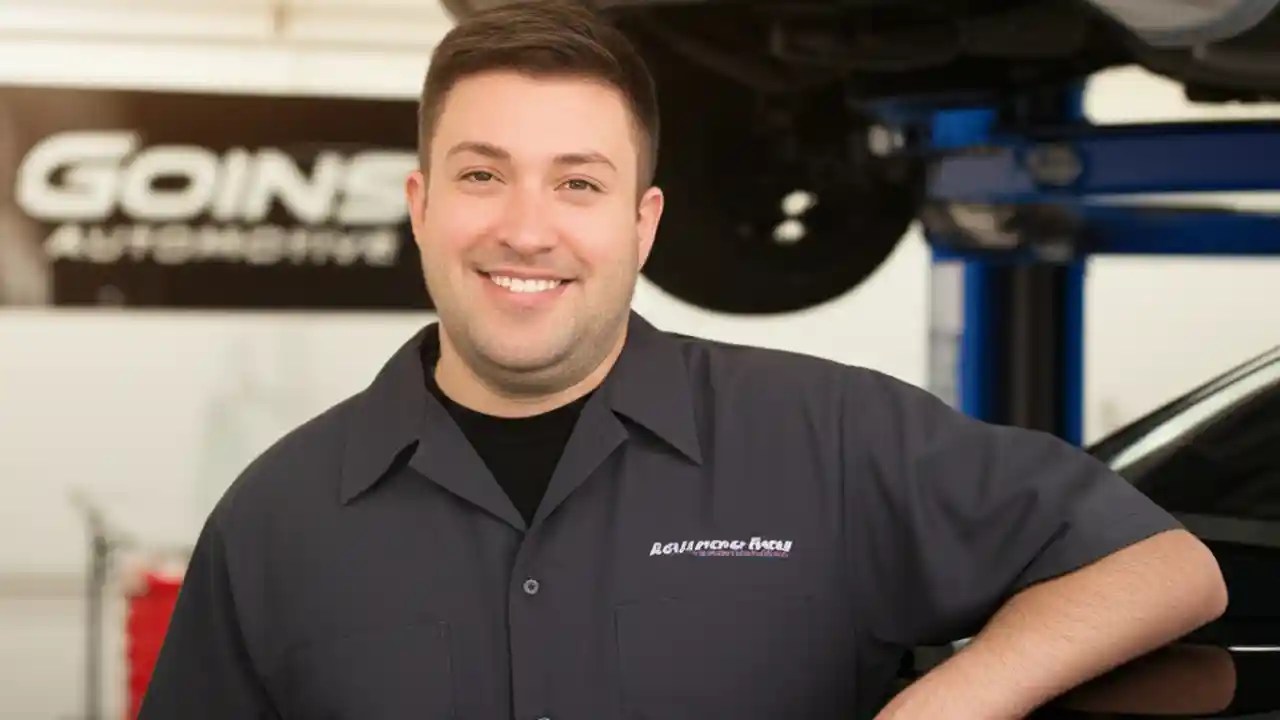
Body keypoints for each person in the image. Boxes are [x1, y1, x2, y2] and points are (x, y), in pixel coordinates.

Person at [138, 1, 1228, 718]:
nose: (527, 229)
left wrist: (951, 701)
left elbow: (1163, 567)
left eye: (578, 183)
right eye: (481, 176)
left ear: (643, 223)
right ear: (420, 207)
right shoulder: (276, 519)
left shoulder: (823, 439)